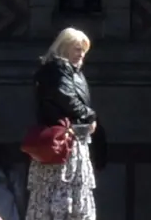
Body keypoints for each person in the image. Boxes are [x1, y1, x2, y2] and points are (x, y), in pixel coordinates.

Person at [27, 28, 96, 220]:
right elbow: (67, 99)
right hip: (62, 144)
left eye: (83, 50)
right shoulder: (56, 71)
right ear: (64, 48)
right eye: (77, 48)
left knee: (64, 194)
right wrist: (90, 116)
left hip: (69, 142)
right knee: (61, 194)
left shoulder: (67, 71)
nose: (81, 54)